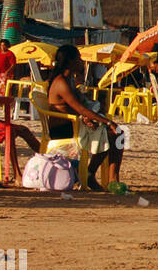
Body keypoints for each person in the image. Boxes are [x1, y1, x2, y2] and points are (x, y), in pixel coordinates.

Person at [46, 44, 123, 191]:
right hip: (65, 130)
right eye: (79, 58)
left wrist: (86, 117)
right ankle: (91, 174)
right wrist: (107, 121)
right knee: (115, 133)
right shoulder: (61, 82)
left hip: (74, 123)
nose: (81, 61)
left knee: (117, 133)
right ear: (70, 62)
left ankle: (111, 179)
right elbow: (80, 108)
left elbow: (79, 107)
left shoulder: (69, 80)